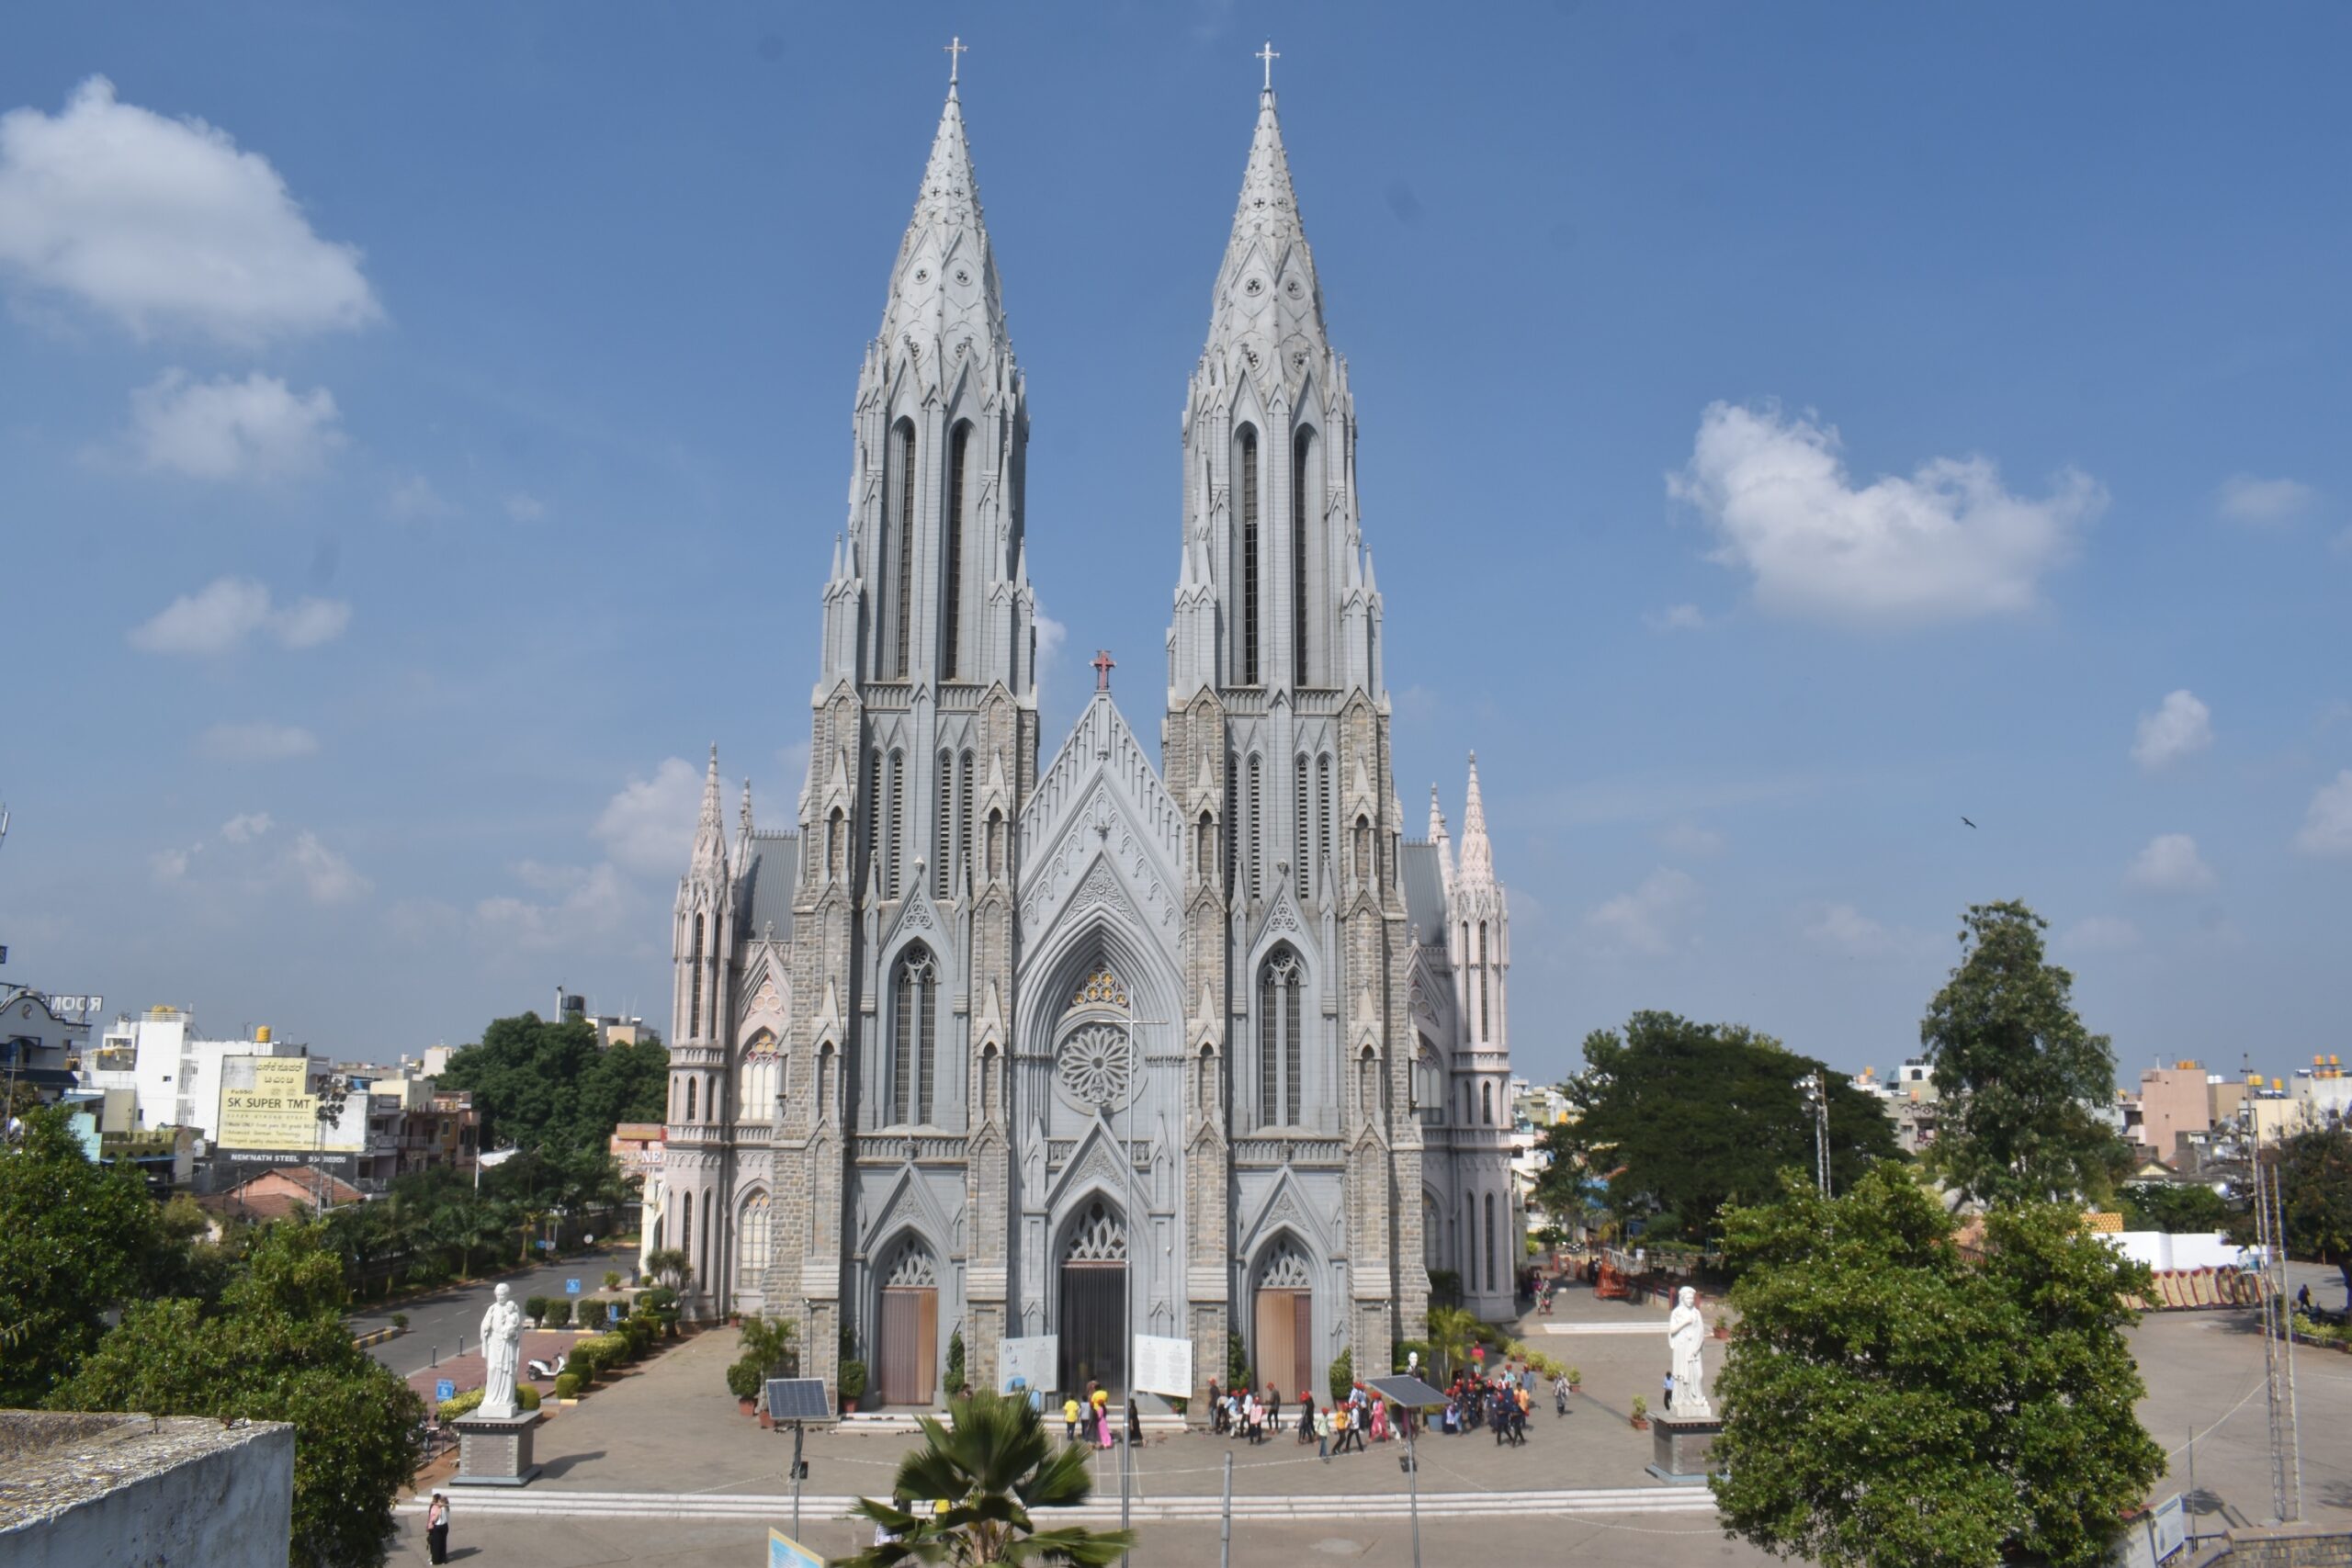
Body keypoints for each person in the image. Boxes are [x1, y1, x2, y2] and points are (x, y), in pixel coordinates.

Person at [425, 1492, 450, 1564]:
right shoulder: (447, 1508)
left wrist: (432, 1522)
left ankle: (435, 1561)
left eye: (439, 1501)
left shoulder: (440, 1509)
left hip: (438, 1527)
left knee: (436, 1544)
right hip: (445, 1526)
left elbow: (435, 1519)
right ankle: (443, 1559)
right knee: (443, 1543)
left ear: (441, 1502)